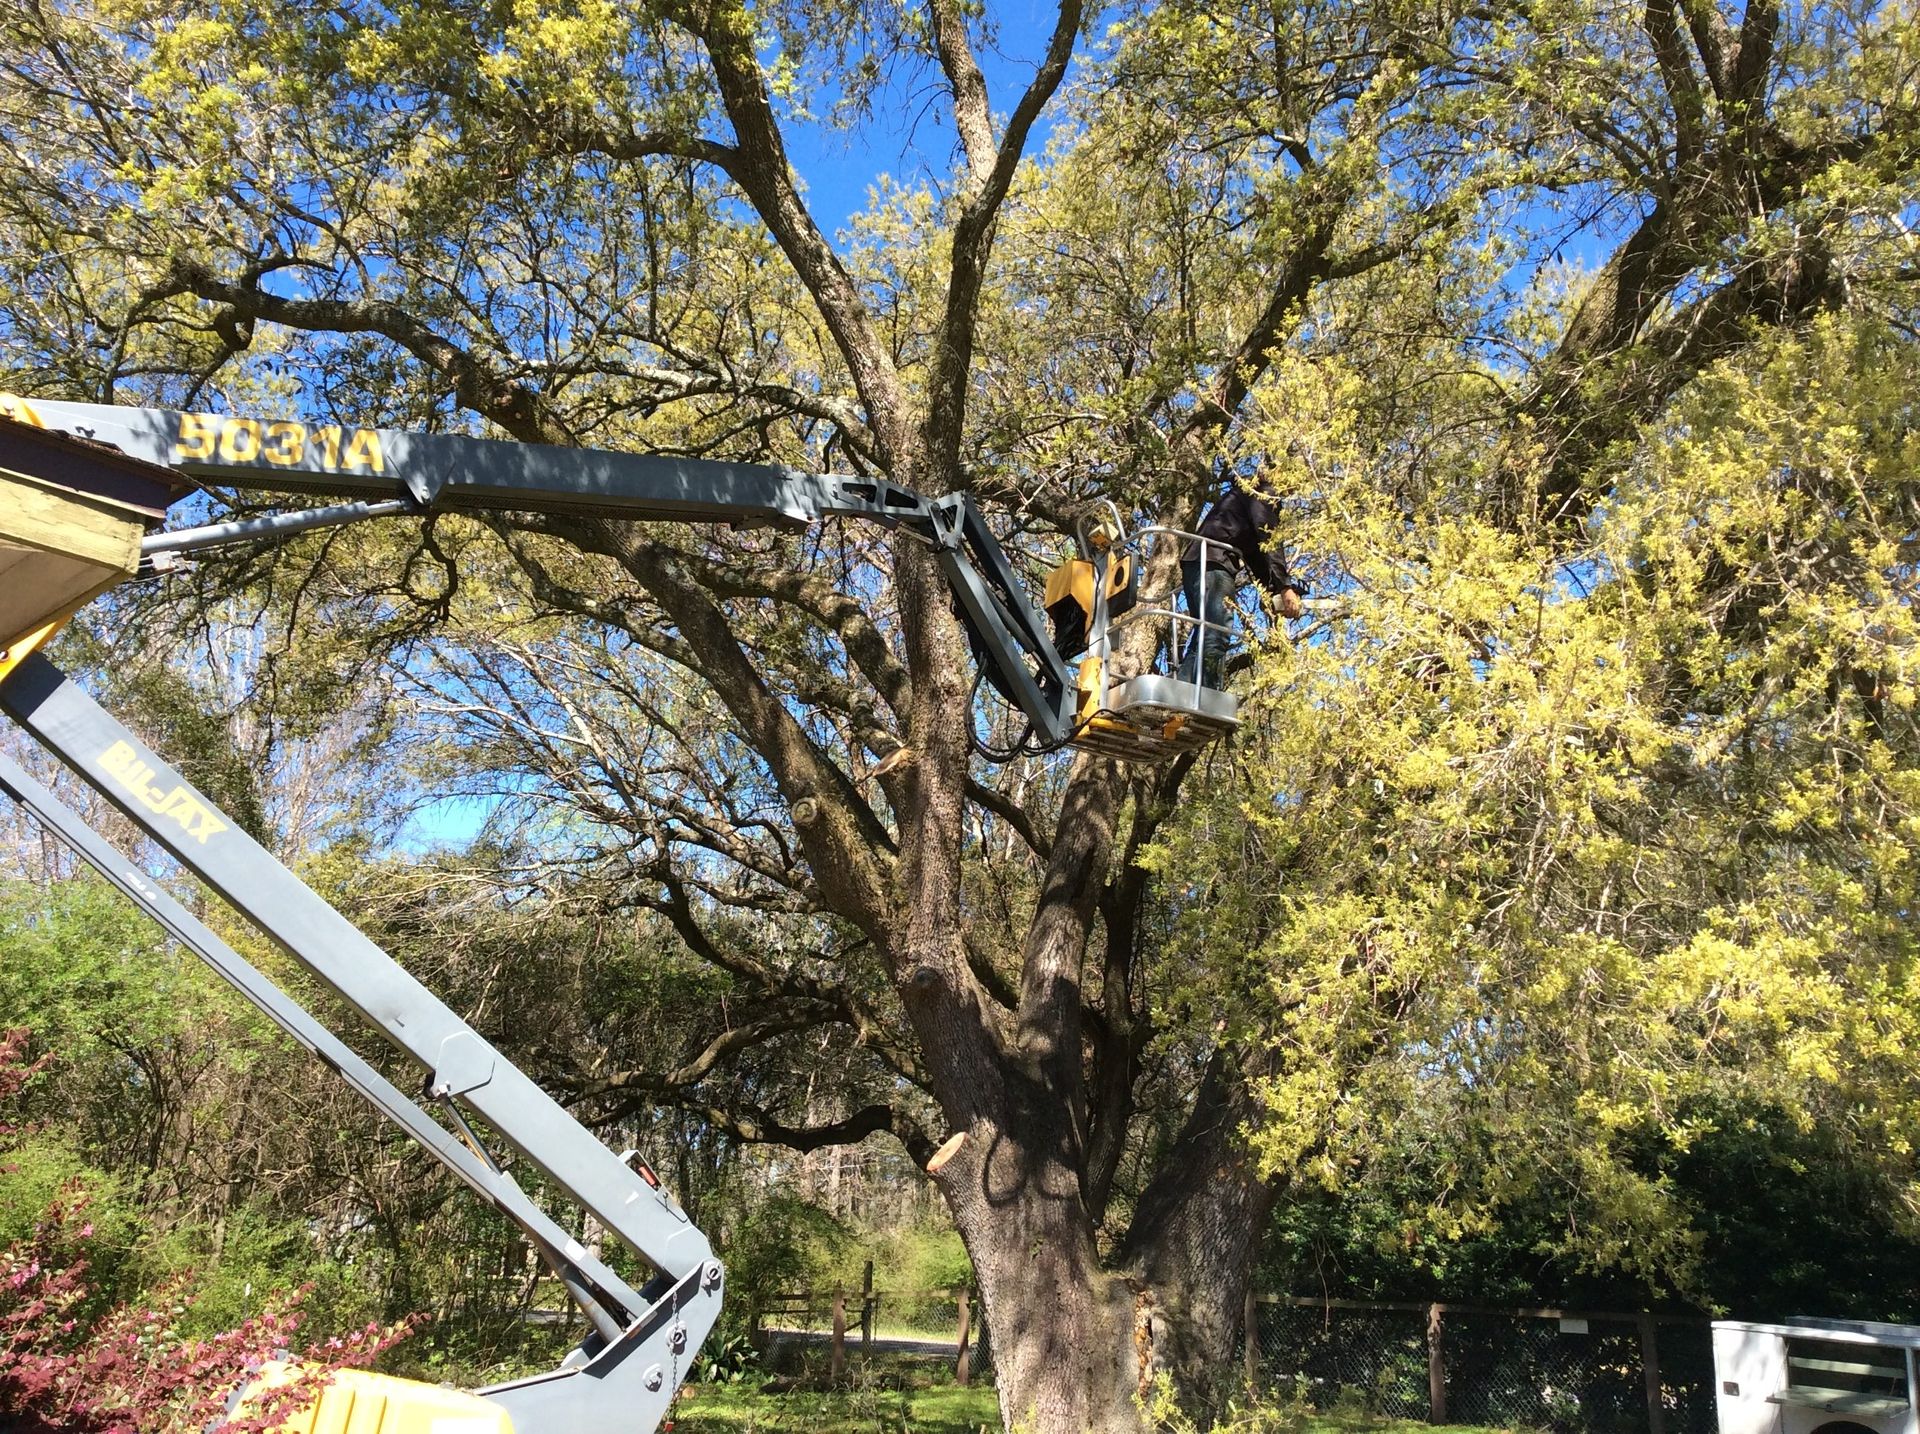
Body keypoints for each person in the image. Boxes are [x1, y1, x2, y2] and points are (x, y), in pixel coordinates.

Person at [1179, 484, 1304, 687]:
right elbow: (1268, 537)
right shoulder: (1263, 492)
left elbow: (1255, 553)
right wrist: (1284, 587)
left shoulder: (1246, 498)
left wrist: (1272, 592)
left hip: (1197, 563)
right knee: (1217, 631)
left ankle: (1180, 694)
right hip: (1212, 562)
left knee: (1204, 633)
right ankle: (1207, 697)